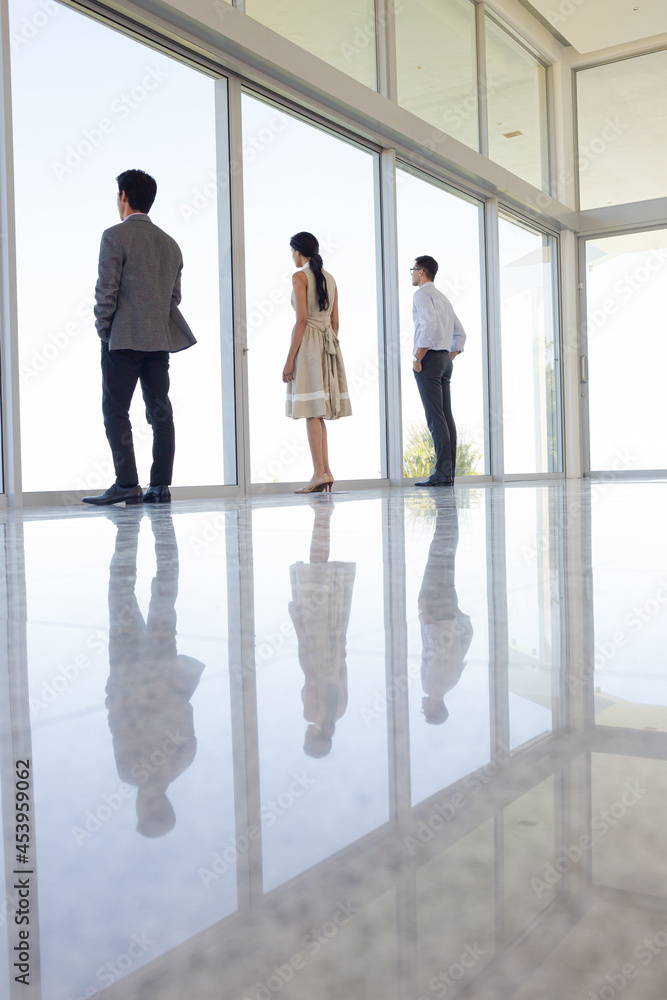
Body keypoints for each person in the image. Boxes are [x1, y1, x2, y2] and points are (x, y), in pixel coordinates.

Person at [82, 169, 196, 507]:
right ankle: (159, 487)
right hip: (159, 340)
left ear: (123, 196)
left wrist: (105, 330)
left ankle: (127, 484)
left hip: (124, 339)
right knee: (160, 413)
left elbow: (107, 292)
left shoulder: (114, 236)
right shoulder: (171, 244)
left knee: (116, 410)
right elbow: (174, 298)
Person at [104, 508, 205, 836]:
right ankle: (127, 529)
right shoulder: (129, 773)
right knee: (121, 592)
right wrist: (114, 685)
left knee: (165, 591)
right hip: (129, 666)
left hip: (163, 664)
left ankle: (163, 526)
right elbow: (118, 720)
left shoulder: (185, 759)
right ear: (145, 810)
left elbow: (184, 709)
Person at [282, 232, 352, 494]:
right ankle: (325, 471)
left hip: (309, 345)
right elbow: (335, 323)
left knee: (312, 410)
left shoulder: (299, 277)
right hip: (328, 345)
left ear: (298, 252)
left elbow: (301, 320)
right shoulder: (330, 279)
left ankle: (319, 473)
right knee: (318, 411)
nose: (292, 257)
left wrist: (290, 360)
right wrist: (330, 345)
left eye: (292, 251)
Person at [288, 497, 356, 756]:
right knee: (315, 572)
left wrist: (339, 640)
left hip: (334, 642)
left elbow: (343, 670)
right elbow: (309, 671)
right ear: (312, 738)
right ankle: (323, 514)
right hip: (317, 643)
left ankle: (324, 517)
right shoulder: (311, 713)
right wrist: (297, 623)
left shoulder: (341, 710)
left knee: (323, 574)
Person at [410, 255, 466, 487]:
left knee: (435, 417)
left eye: (413, 269)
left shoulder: (422, 294)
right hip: (444, 360)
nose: (412, 274)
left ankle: (441, 476)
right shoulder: (443, 298)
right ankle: (448, 474)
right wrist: (448, 355)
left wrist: (418, 356)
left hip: (430, 360)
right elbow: (460, 335)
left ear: (422, 271)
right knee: (445, 416)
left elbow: (429, 324)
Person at [418, 495, 473, 724]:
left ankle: (449, 512)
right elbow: (432, 652)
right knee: (436, 553)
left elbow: (465, 641)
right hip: (436, 613)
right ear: (433, 708)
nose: (422, 706)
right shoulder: (430, 685)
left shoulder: (452, 682)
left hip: (450, 611)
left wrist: (460, 616)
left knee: (447, 556)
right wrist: (425, 615)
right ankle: (445, 508)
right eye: (425, 711)